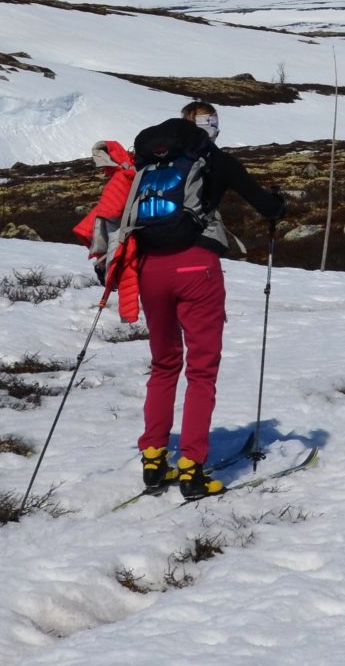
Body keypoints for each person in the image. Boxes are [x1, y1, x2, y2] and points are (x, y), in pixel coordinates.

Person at [115, 101, 288, 499]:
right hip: (197, 267)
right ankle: (192, 467)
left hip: (148, 268)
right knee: (202, 370)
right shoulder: (216, 160)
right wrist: (279, 205)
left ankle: (154, 460)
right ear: (211, 127)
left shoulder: (148, 162)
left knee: (163, 365)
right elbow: (266, 205)